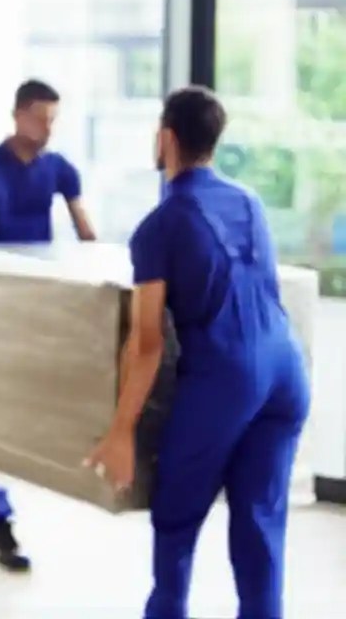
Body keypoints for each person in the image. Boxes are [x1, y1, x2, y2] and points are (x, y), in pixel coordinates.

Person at [87, 86, 309, 619]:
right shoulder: (249, 201)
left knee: (177, 519)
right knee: (259, 522)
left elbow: (145, 342)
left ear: (165, 138)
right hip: (286, 370)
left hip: (227, 377)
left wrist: (120, 432)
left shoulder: (159, 227)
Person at [0, 79, 96, 571]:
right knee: (1, 412)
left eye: (54, 119)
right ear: (17, 115)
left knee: (21, 411)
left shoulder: (59, 169)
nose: (48, 129)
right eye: (40, 118)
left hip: (44, 306)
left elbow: (86, 233)